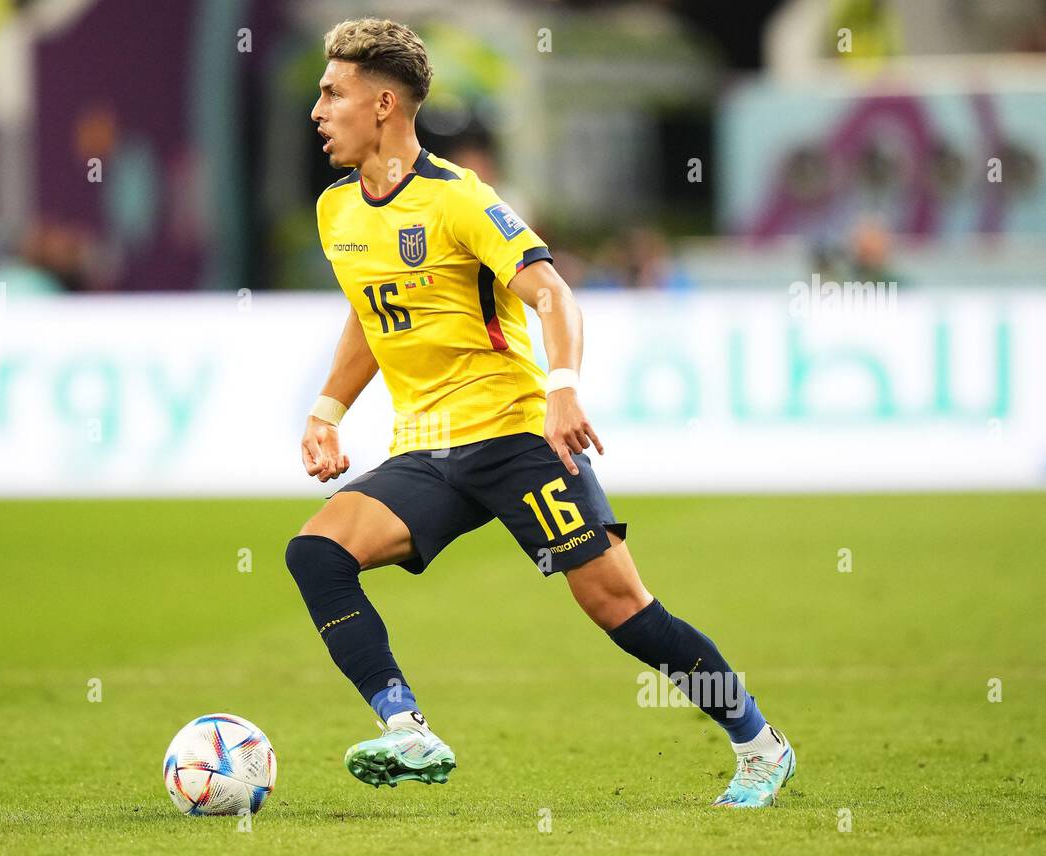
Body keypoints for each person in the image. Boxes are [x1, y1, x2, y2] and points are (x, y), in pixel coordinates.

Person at [285, 17, 795, 808]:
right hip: (427, 451)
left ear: (383, 104)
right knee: (316, 553)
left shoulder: (460, 200)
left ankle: (760, 744)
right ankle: (407, 728)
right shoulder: (337, 211)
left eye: (333, 93)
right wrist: (328, 408)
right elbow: (370, 311)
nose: (318, 110)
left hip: (517, 435)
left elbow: (552, 292)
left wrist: (562, 388)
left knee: (619, 607)